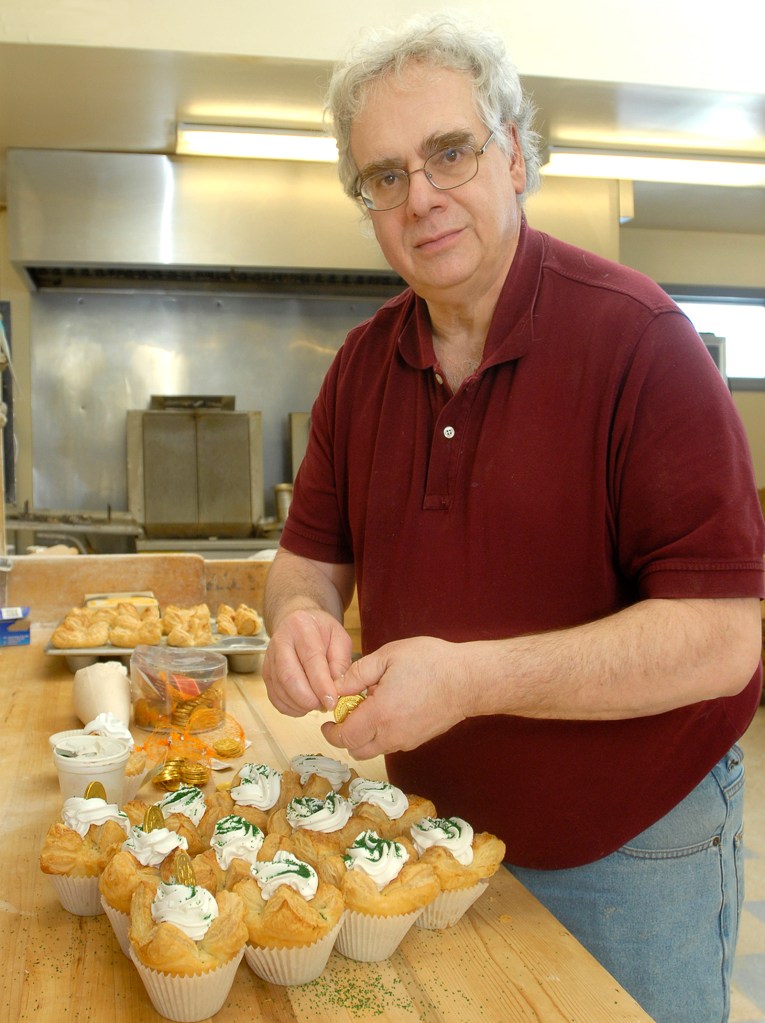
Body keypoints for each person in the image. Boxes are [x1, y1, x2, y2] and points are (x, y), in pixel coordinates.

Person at [261, 12, 765, 1022]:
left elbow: (722, 642)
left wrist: (475, 680)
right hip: (421, 845)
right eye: (386, 176)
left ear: (518, 155)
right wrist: (298, 620)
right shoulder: (363, 365)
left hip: (629, 850)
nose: (423, 197)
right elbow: (305, 560)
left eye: (451, 151)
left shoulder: (640, 342)